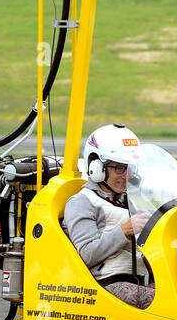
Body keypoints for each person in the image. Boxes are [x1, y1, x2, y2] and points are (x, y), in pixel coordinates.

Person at [64, 123, 154, 308]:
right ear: (97, 167)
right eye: (119, 168)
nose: (126, 176)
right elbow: (87, 254)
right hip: (108, 285)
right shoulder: (81, 202)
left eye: (129, 168)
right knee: (169, 302)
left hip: (138, 280)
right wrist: (124, 231)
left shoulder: (128, 200)